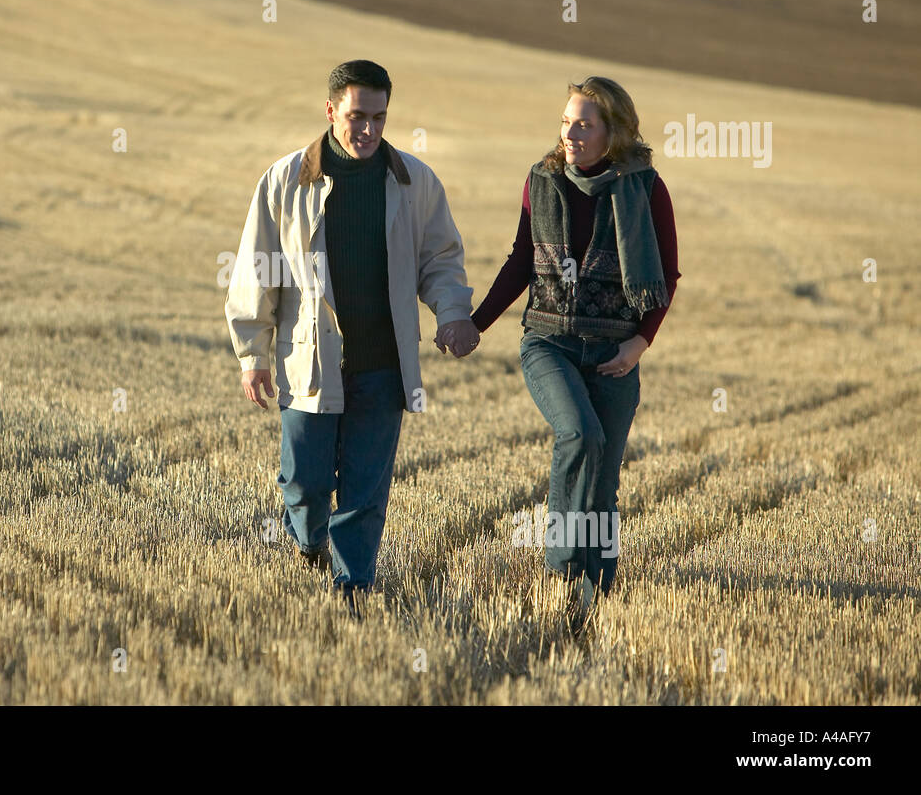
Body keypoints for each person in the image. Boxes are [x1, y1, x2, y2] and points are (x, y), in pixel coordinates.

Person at [224, 60, 479, 617]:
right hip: (307, 363)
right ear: (331, 111)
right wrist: (252, 354)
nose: (367, 130)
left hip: (384, 365)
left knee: (366, 488)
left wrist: (453, 313)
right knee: (305, 481)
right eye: (356, 116)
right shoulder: (286, 180)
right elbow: (257, 269)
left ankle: (352, 589)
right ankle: (311, 543)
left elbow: (441, 260)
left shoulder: (415, 182)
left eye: (379, 118)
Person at [470, 76, 680, 627]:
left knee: (605, 476)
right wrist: (477, 324)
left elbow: (665, 273)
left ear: (613, 132)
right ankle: (563, 570)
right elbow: (521, 261)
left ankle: (599, 587)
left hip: (615, 348)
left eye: (584, 124)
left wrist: (640, 342)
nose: (571, 133)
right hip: (549, 340)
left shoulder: (645, 189)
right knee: (579, 433)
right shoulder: (542, 181)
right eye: (566, 121)